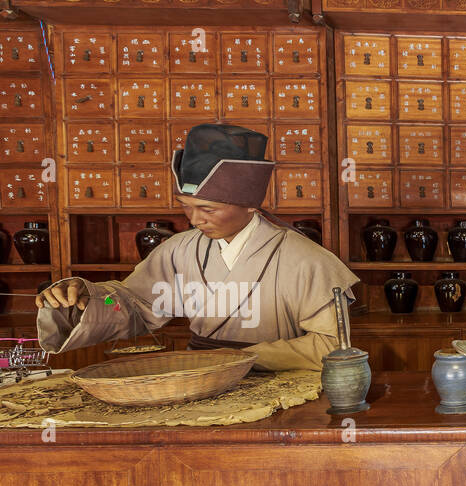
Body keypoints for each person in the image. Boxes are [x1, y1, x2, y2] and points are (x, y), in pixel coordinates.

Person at [35, 123, 359, 371]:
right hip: (198, 378)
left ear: (250, 205)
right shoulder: (179, 251)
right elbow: (132, 305)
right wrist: (82, 298)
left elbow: (332, 344)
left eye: (208, 209)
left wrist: (241, 359)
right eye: (186, 207)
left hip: (276, 379)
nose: (194, 220)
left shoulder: (305, 260)